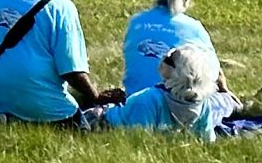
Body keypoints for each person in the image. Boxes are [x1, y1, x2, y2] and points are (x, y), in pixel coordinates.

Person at [93, 44, 242, 140]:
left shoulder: (148, 99)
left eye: (169, 58)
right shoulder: (204, 105)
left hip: (100, 121)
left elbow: (138, 140)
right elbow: (206, 141)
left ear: (176, 73)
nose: (164, 56)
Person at [122, 0, 216, 95]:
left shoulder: (136, 22)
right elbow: (213, 72)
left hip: (134, 97)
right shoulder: (194, 28)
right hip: (176, 99)